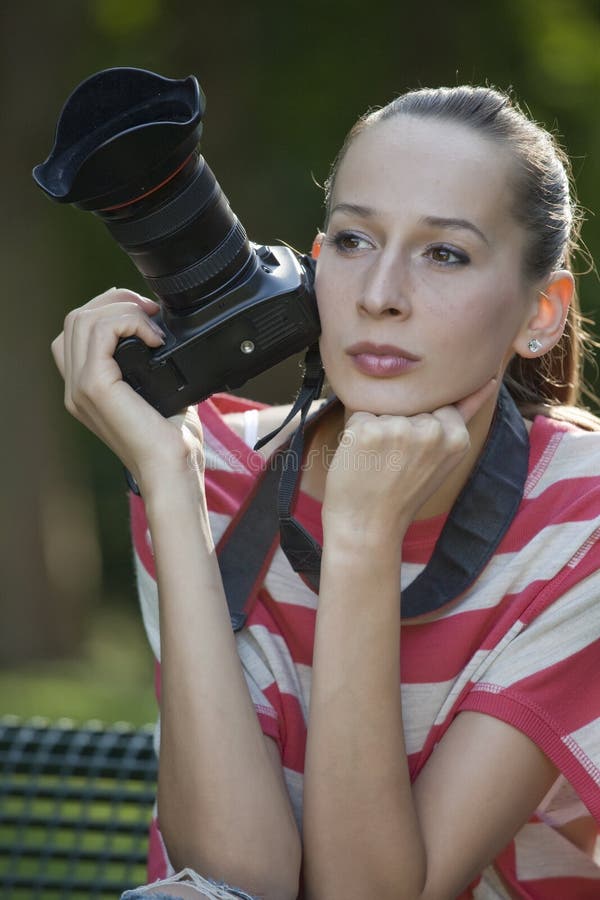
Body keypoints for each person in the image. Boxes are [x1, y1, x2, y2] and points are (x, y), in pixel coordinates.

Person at [52, 84, 600, 900]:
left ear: (542, 314)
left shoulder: (579, 515)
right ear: (313, 264)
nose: (380, 294)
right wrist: (171, 485)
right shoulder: (215, 464)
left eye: (444, 253)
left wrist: (361, 537)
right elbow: (234, 879)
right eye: (352, 240)